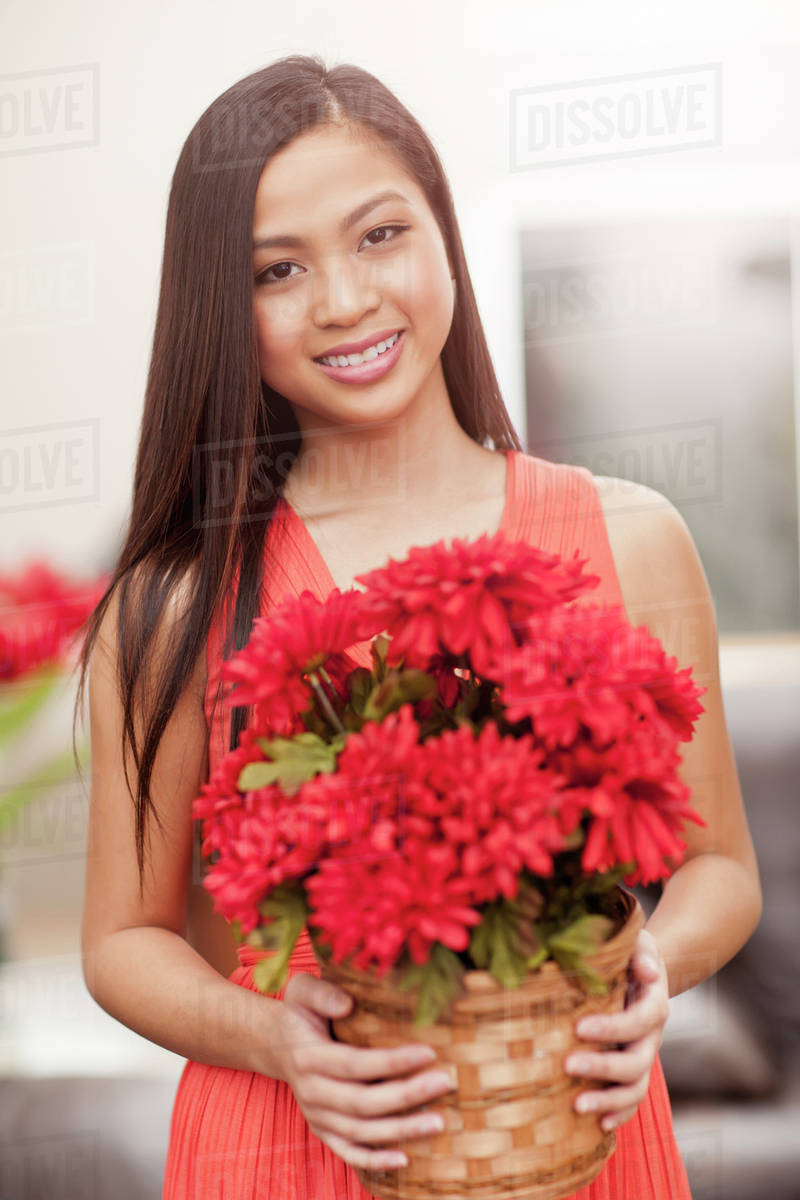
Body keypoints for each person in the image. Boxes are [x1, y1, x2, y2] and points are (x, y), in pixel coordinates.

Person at [75, 54, 762, 1199]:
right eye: (276, 269)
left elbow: (718, 867)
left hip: (563, 1119)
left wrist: (645, 965)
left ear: (443, 234)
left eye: (379, 235)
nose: (343, 300)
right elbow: (120, 941)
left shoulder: (632, 537)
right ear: (220, 309)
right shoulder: (177, 599)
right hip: (289, 1141)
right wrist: (272, 1039)